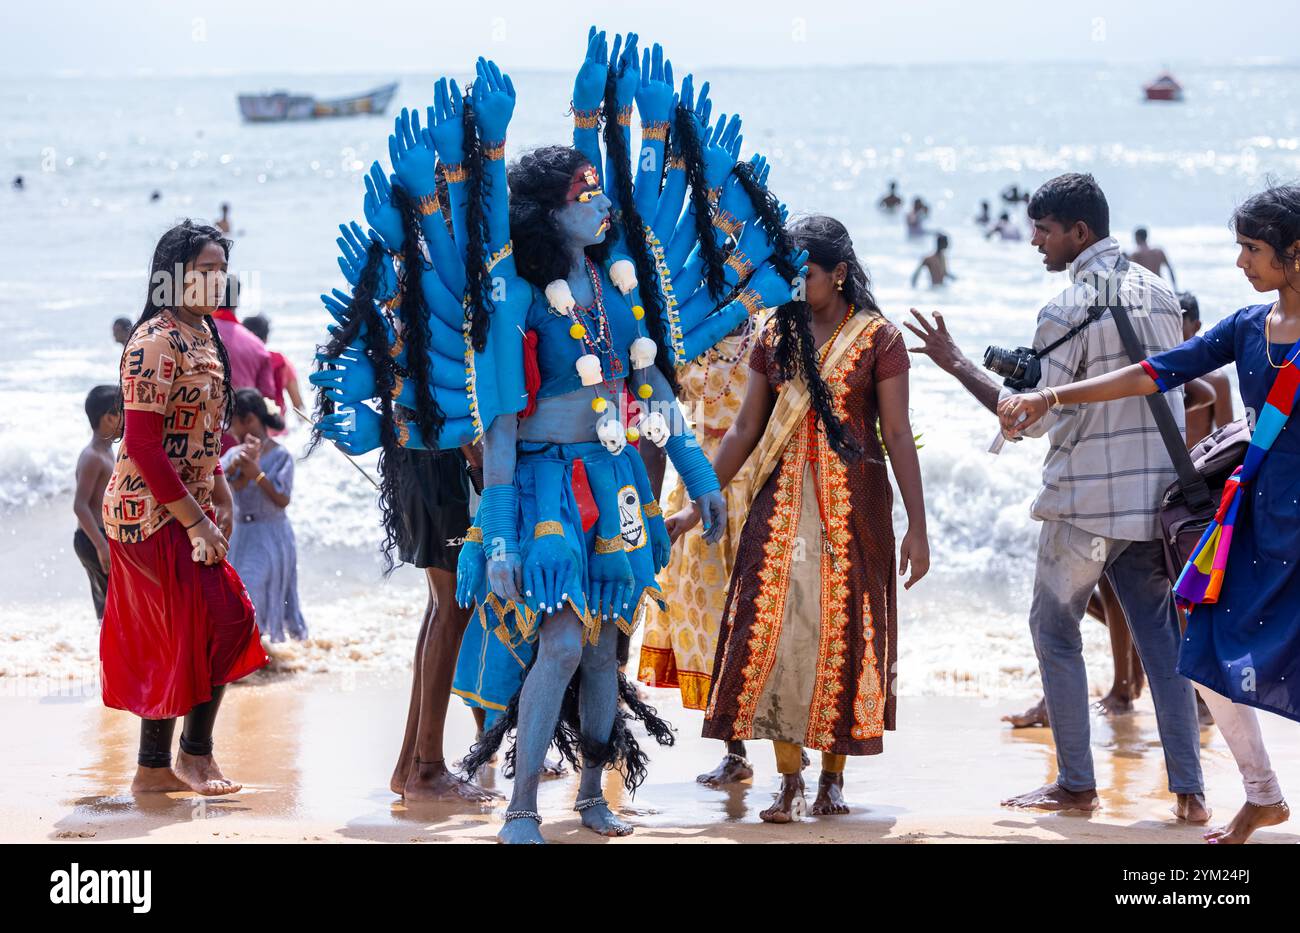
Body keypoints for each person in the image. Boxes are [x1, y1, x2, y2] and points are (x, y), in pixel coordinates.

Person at [999, 184, 1300, 844]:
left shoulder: (1069, 305)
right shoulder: (1216, 314)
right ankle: (1232, 793)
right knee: (1193, 648)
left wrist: (1044, 395)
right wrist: (1053, 392)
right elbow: (1157, 372)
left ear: (1295, 253)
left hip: (1261, 517)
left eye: (1252, 249)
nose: (1241, 262)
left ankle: (1101, 781)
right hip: (1222, 512)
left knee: (1071, 631)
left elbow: (1156, 377)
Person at [906, 173, 1206, 820]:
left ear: (1081, 232)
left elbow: (1028, 420)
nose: (1035, 241)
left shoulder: (1066, 309)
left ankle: (1075, 784)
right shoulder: (1159, 294)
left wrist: (957, 362)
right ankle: (1190, 791)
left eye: (1044, 230)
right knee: (1162, 643)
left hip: (1084, 505)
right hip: (1154, 499)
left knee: (1054, 628)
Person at [688, 215, 929, 823]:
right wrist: (696, 503)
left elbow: (896, 434)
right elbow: (746, 428)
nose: (796, 284)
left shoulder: (880, 339)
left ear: (839, 274)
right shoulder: (776, 335)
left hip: (856, 510)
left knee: (841, 635)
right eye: (789, 273)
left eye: (808, 274)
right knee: (775, 638)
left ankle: (831, 779)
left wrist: (919, 528)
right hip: (781, 510)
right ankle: (789, 781)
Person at [100, 220, 267, 796]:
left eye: (221, 269)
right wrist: (195, 519)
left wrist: (216, 483)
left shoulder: (203, 336)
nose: (216, 280)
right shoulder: (155, 339)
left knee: (187, 632)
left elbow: (191, 431)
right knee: (225, 621)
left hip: (185, 502)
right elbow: (143, 443)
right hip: (146, 510)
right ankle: (192, 756)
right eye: (204, 269)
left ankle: (154, 767)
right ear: (173, 275)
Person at [220, 389, 306, 643]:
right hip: (241, 534)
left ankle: (254, 658)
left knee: (252, 588)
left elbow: (283, 499)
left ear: (248, 420)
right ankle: (251, 656)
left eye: (232, 420)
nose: (229, 428)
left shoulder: (281, 455)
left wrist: (256, 473)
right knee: (240, 595)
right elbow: (222, 488)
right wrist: (238, 467)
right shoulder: (232, 456)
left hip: (270, 534)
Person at [73, 385, 122, 620]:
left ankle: (108, 653)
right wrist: (102, 546)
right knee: (114, 605)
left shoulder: (107, 451)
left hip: (99, 537)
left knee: (109, 605)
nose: (127, 418)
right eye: (123, 412)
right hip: (93, 538)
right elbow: (80, 505)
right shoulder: (93, 456)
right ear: (109, 418)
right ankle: (111, 654)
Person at [1180, 292, 1235, 445]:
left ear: (1196, 326)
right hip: (1162, 465)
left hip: (1196, 464)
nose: (1174, 334)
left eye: (1179, 327)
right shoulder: (1156, 373)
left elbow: (1227, 436)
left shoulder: (1216, 380)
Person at [241, 314, 303, 433]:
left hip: (248, 433)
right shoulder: (282, 363)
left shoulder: (241, 362)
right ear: (266, 338)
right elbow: (299, 407)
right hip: (278, 433)